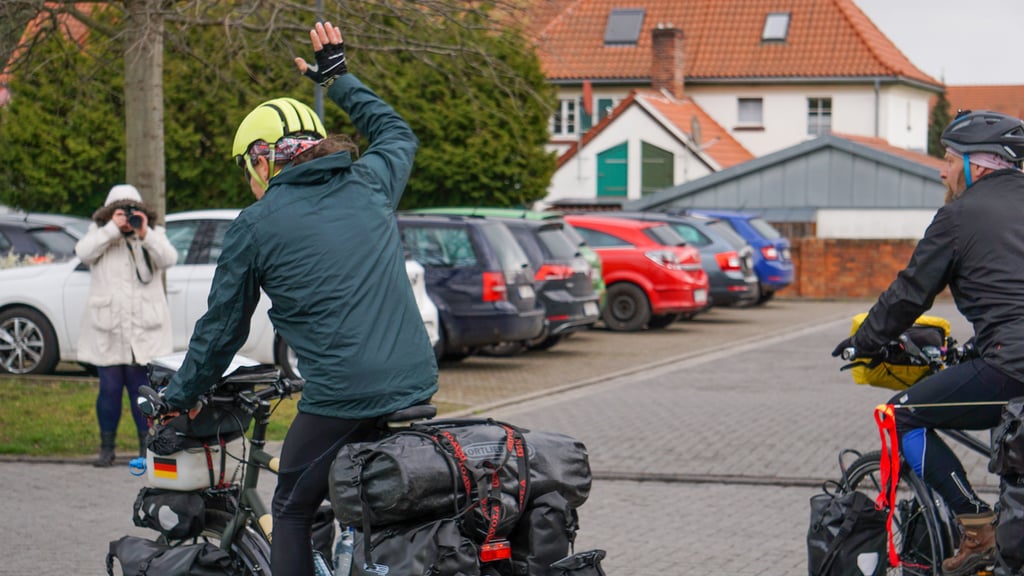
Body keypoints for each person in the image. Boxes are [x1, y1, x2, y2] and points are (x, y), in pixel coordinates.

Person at [160, 21, 438, 576]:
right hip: (414, 381)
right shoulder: (369, 182)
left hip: (343, 395)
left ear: (262, 161)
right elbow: (397, 133)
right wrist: (339, 77)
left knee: (290, 506)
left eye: (247, 168)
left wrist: (180, 395)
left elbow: (222, 330)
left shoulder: (256, 224)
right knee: (354, 491)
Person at [832, 109, 1024, 576]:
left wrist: (864, 341)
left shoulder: (959, 216)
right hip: (1004, 353)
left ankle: (977, 528)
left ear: (979, 164)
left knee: (899, 416)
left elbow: (910, 292)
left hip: (1012, 367)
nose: (943, 170)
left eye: (950, 159)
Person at [75, 184, 178, 467]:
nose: (126, 218)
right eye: (120, 212)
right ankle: (106, 449)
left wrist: (143, 234)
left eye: (131, 212)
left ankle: (147, 448)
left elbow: (169, 258)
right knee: (108, 390)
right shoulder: (99, 234)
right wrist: (112, 229)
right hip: (108, 330)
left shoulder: (152, 234)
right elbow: (83, 253)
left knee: (140, 391)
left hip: (142, 330)